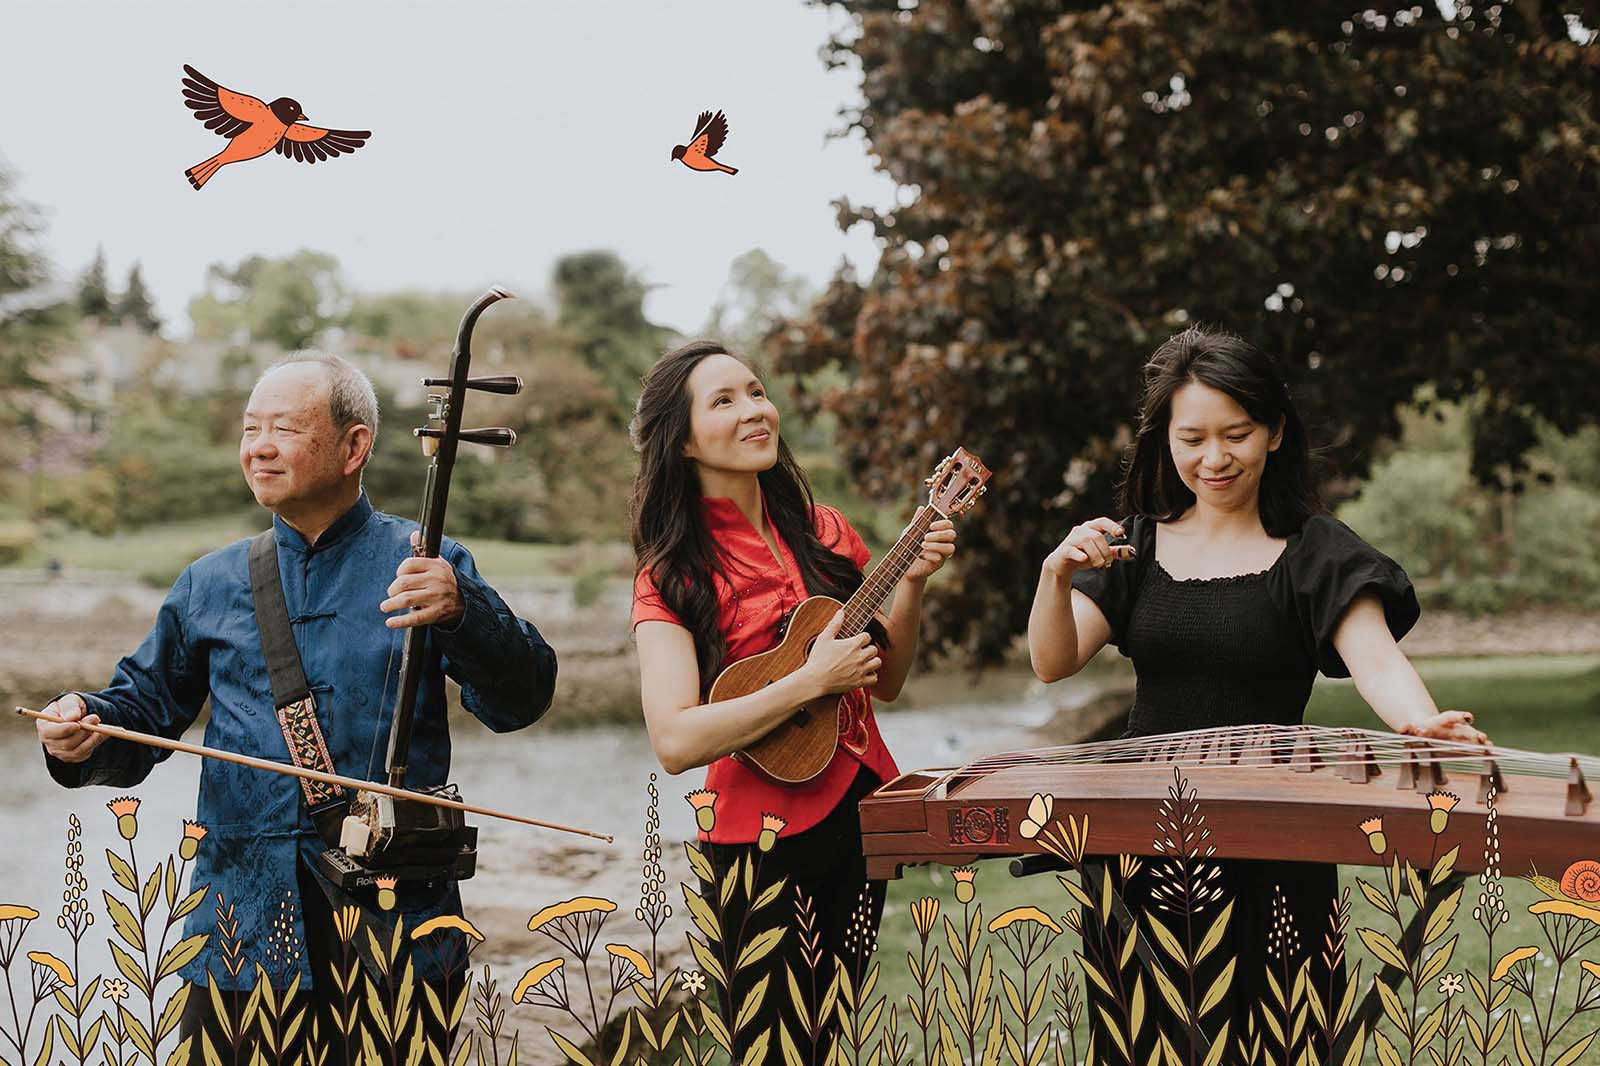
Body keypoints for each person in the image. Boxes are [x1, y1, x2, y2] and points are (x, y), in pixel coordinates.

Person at [36, 351, 557, 1063]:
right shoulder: (209, 584)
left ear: (355, 446)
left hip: (393, 933)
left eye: (284, 427)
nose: (260, 446)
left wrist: (466, 612)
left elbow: (519, 700)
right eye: (251, 429)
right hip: (238, 934)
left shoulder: (427, 564)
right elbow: (143, 711)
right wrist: (83, 727)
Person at [1027, 324, 1489, 1060]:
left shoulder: (1317, 553)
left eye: (1236, 434)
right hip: (1143, 849)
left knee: (1282, 1036)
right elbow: (1053, 662)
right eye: (1192, 438)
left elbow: (1377, 660)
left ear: (1274, 432)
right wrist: (1056, 576)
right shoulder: (1134, 547)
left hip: (1277, 846)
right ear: (1166, 442)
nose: (1214, 458)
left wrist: (1420, 720)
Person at [629, 340, 956, 1060]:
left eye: (756, 391)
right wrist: (809, 681)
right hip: (757, 843)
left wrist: (915, 583)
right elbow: (676, 741)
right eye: (725, 401)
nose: (755, 410)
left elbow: (888, 681)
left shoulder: (828, 533)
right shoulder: (671, 577)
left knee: (824, 1037)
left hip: (856, 814)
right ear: (682, 441)